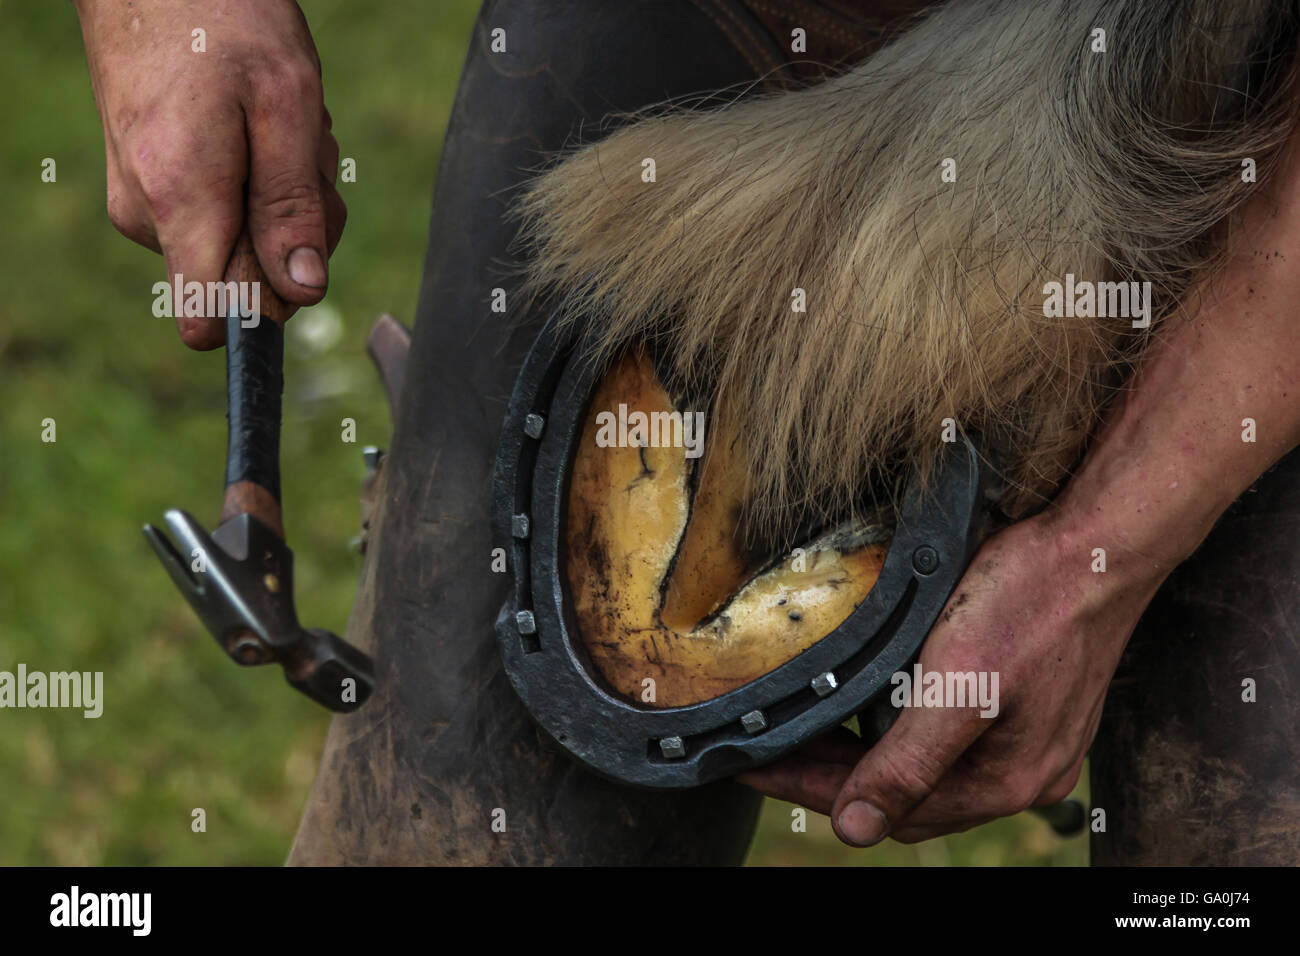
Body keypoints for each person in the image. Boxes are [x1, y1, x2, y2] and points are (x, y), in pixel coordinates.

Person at [74, 0, 1300, 864]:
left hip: (1252, 102)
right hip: (731, 25)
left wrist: (1105, 547)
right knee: (456, 832)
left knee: (1241, 827)